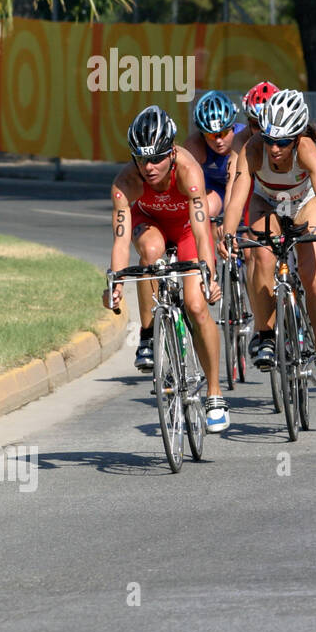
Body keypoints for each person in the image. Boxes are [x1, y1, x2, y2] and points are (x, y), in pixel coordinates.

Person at [105, 106, 229, 433]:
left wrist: (209, 275)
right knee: (149, 251)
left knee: (197, 306)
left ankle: (215, 391)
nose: (149, 167)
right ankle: (148, 334)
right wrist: (115, 281)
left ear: (172, 151)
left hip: (187, 230)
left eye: (157, 158)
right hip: (151, 226)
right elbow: (120, 242)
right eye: (141, 159)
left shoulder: (189, 171)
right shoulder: (124, 184)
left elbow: (202, 231)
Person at [221, 89, 316, 388]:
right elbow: (237, 200)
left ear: (297, 136)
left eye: (283, 142)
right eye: (270, 139)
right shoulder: (253, 148)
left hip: (304, 204)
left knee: (311, 276)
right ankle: (265, 334)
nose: (275, 148)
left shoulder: (307, 149)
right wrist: (226, 233)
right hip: (268, 203)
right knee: (260, 254)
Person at [184, 91, 244, 222]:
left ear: (232, 126)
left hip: (245, 188)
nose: (218, 141)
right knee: (206, 210)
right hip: (214, 188)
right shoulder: (195, 145)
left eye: (223, 133)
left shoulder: (245, 138)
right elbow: (187, 186)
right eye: (211, 135)